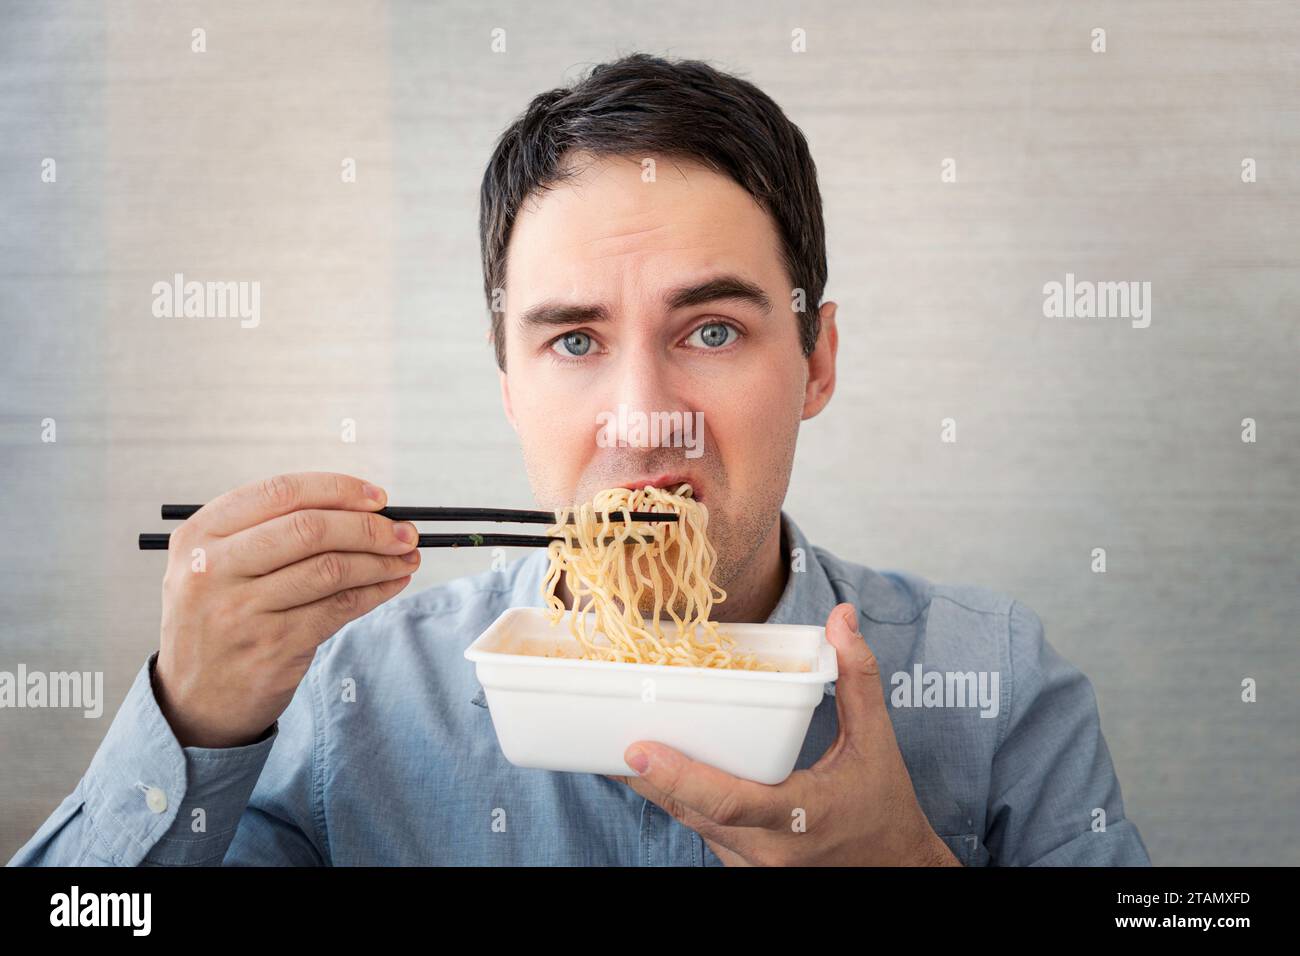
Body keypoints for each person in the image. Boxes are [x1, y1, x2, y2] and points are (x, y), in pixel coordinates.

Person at [10, 53, 1149, 866]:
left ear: (815, 357)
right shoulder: (356, 701)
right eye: (573, 339)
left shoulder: (992, 685)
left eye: (711, 330)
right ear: (508, 382)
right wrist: (192, 721)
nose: (644, 418)